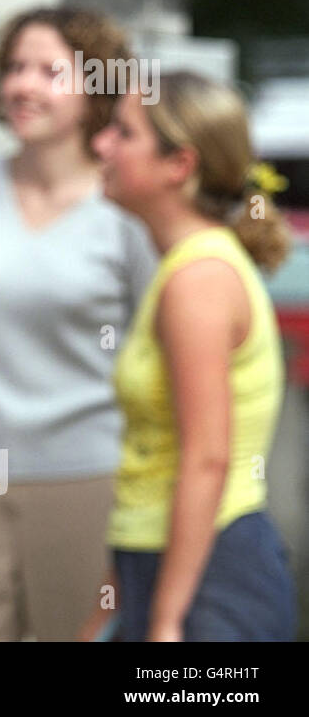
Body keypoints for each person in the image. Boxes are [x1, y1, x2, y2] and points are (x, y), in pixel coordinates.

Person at [0, 7, 157, 641]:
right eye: (14, 68)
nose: (24, 85)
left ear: (96, 90)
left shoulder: (123, 210)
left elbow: (152, 350)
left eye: (51, 72)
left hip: (93, 478)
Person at [86, 71, 297, 641]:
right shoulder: (184, 268)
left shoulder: (198, 280)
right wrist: (111, 607)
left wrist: (166, 621)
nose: (101, 145)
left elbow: (207, 459)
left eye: (123, 133)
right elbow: (155, 464)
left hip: (213, 583)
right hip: (169, 567)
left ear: (178, 165)